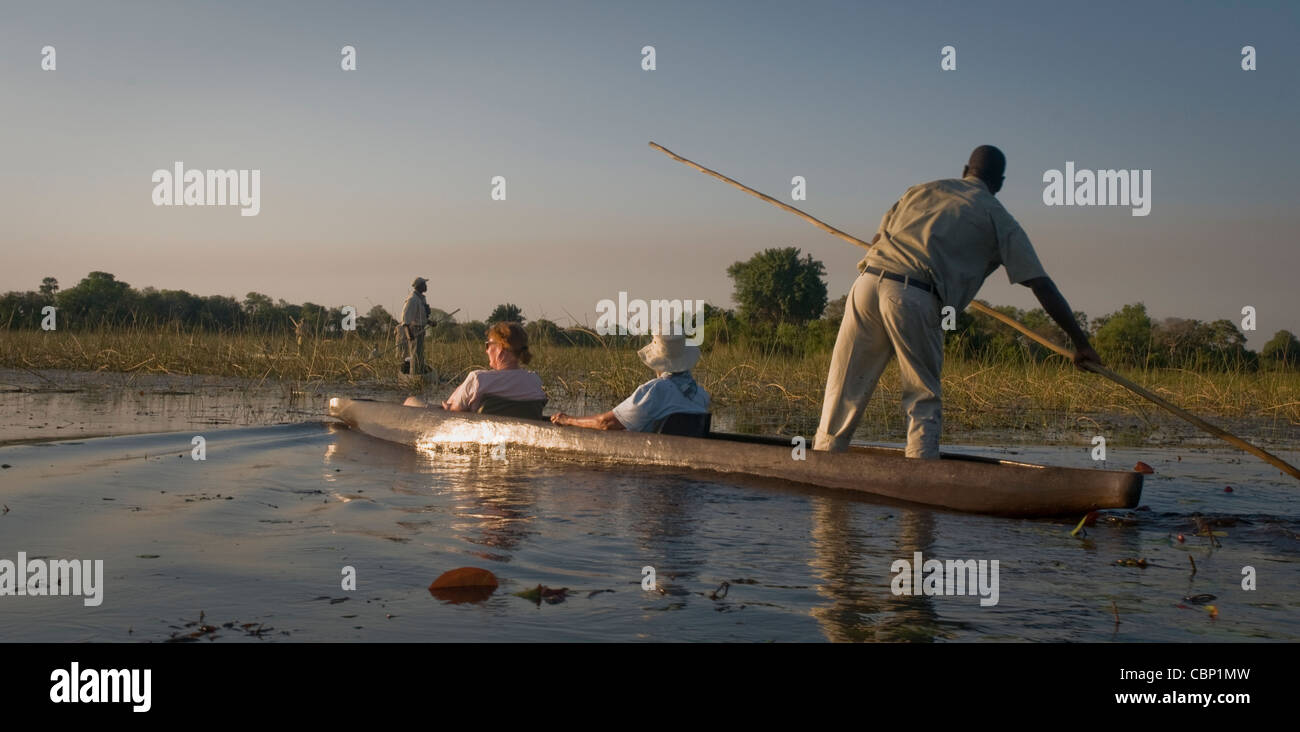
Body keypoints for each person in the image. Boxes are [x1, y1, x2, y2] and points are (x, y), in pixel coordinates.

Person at [814, 145, 1100, 458]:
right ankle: (921, 476)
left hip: (867, 283)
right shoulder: (999, 216)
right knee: (921, 395)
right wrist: (1080, 343)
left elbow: (876, 243)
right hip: (916, 296)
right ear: (1000, 182)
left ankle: (825, 457)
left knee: (844, 388)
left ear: (966, 169)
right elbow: (1041, 284)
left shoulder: (920, 191)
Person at [550, 333, 710, 434]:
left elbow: (606, 423)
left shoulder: (656, 389)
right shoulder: (701, 394)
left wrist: (568, 420)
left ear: (657, 362)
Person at [404, 321, 546, 414]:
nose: (486, 350)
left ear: (500, 349)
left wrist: (449, 408)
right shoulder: (535, 380)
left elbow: (453, 412)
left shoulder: (478, 379)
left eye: (488, 345)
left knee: (410, 401)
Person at [399, 277, 431, 375]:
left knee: (420, 354)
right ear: (419, 286)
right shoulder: (412, 299)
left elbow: (419, 316)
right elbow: (405, 317)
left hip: (420, 329)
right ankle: (414, 375)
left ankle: (419, 373)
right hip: (414, 330)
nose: (426, 286)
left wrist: (429, 322)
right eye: (424, 284)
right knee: (415, 354)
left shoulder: (421, 298)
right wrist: (409, 333)